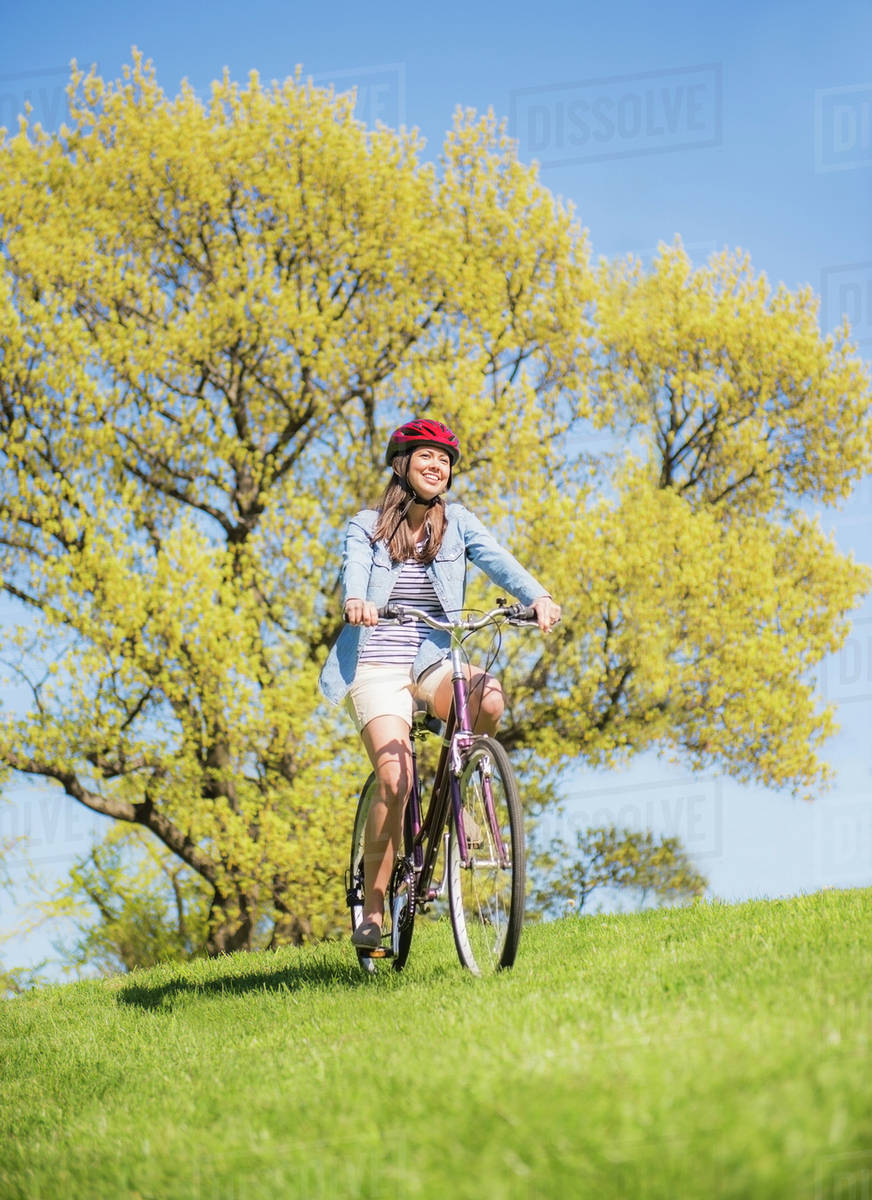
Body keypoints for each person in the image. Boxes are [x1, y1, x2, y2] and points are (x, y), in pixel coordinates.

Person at [319, 418, 561, 949]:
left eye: (444, 460)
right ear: (402, 466)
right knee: (395, 779)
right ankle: (376, 912)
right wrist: (356, 600)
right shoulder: (365, 527)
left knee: (489, 696)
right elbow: (355, 568)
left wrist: (537, 596)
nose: (437, 467)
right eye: (426, 457)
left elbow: (500, 561)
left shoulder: (460, 524)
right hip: (376, 667)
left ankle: (463, 807)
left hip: (431, 659)